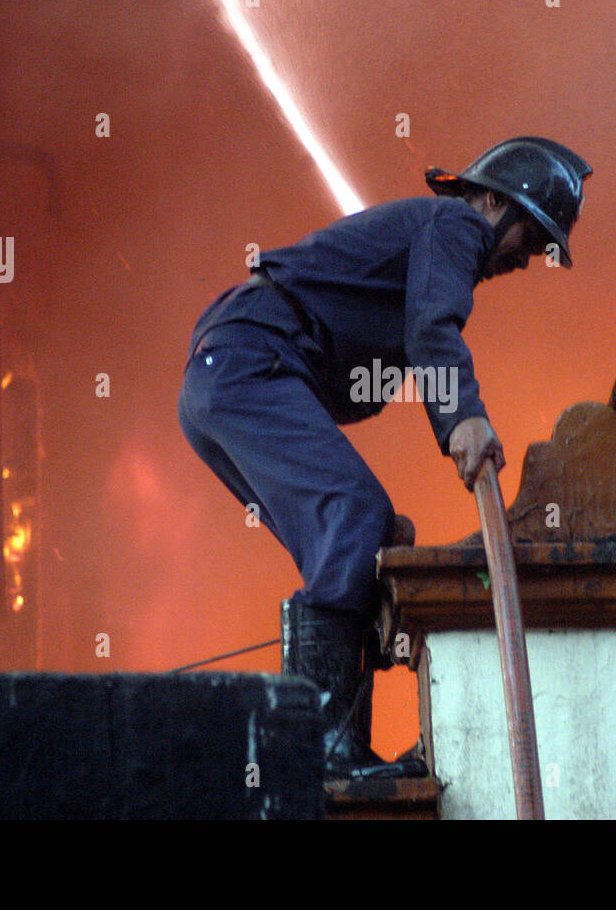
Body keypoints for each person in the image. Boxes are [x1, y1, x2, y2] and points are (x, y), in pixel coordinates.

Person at [177, 136, 591, 780]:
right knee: (354, 512)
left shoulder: (440, 235)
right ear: (489, 200)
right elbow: (432, 328)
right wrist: (464, 420)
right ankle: (326, 755)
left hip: (225, 376)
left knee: (367, 534)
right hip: (246, 364)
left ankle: (321, 750)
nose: (529, 259)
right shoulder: (455, 223)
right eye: (532, 238)